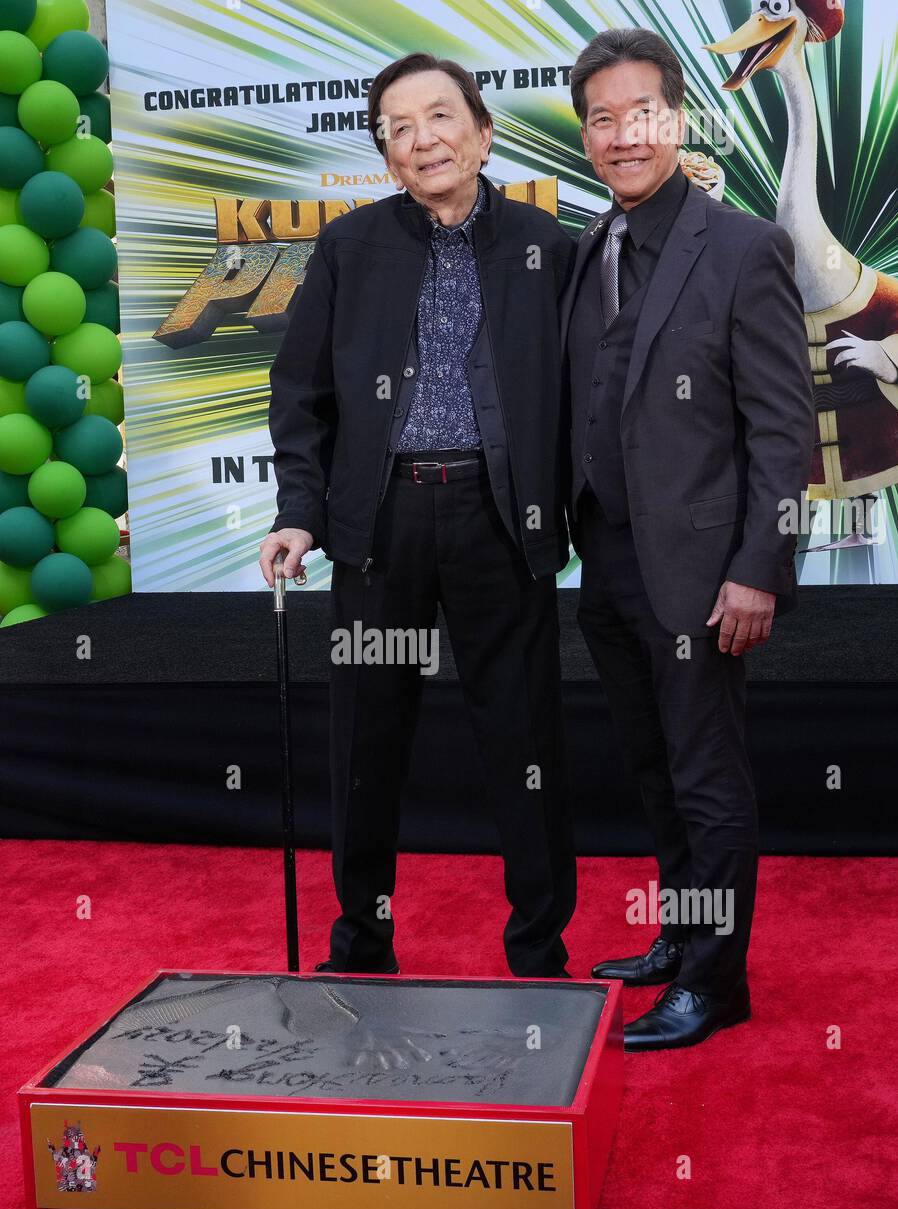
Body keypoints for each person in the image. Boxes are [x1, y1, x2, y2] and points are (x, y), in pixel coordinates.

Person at [260, 52, 577, 978]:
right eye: (399, 129)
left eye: (440, 118)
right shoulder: (350, 247)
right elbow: (301, 392)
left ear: (483, 133)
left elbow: (582, 394)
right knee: (366, 740)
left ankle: (538, 950)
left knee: (524, 740)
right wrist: (300, 512)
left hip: (498, 520)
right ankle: (361, 946)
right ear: (386, 157)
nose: (423, 139)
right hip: (378, 527)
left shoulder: (546, 248)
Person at [564, 28, 814, 1049]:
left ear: (677, 119)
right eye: (601, 117)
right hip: (607, 564)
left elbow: (784, 429)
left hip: (703, 572)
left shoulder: (744, 246)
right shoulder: (591, 245)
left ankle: (715, 982)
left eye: (641, 113)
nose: (622, 135)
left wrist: (758, 567)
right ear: (583, 132)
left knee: (707, 778)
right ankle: (677, 937)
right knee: (653, 768)